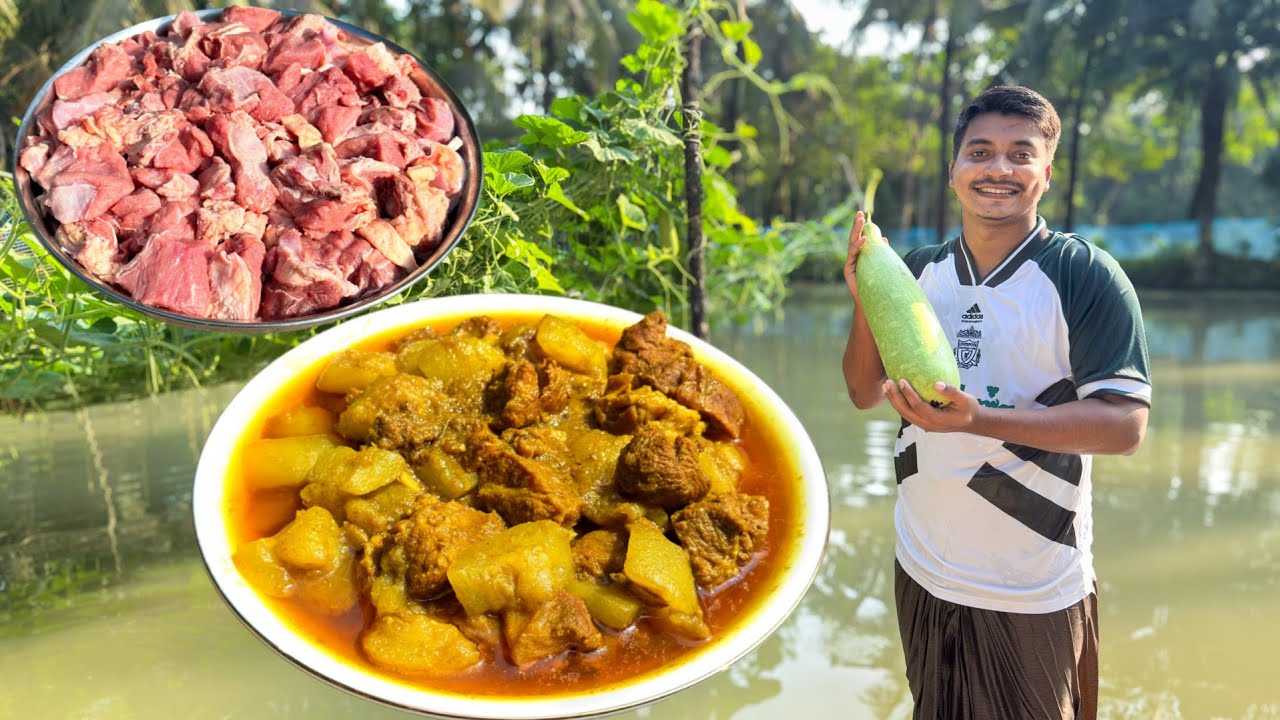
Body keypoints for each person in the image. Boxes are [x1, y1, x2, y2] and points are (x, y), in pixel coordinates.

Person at [841, 85, 1152, 719]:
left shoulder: (1082, 275)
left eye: (1020, 154)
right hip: (921, 565)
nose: (998, 170)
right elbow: (861, 392)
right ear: (954, 170)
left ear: (1045, 171)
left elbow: (1124, 426)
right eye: (980, 152)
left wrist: (979, 420)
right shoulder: (917, 271)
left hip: (1031, 586)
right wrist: (864, 290)